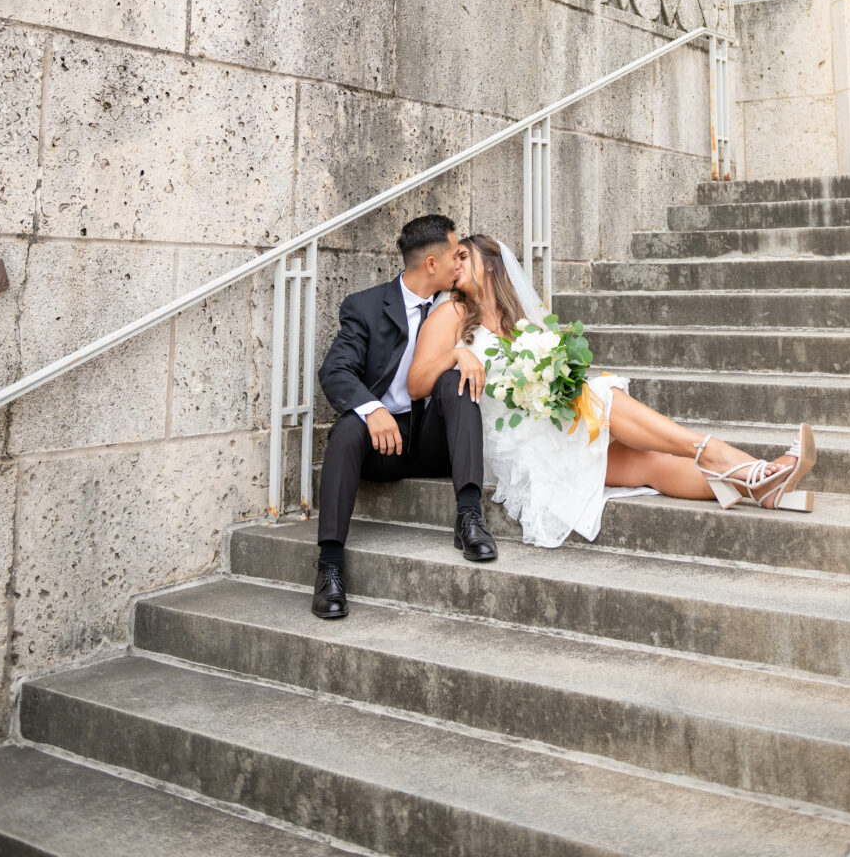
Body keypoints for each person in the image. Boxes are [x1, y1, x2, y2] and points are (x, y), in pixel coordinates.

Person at [407, 233, 817, 550]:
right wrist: (457, 355)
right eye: (452, 258)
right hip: (510, 442)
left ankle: (758, 484)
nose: (455, 265)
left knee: (649, 464)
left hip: (550, 423)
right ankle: (734, 460)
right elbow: (416, 382)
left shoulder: (521, 321)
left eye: (463, 256)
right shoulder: (453, 313)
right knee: (606, 399)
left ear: (492, 264)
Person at [312, 213, 497, 620]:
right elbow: (335, 371)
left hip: (435, 438)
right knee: (345, 431)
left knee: (453, 380)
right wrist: (374, 410)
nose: (459, 262)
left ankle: (468, 517)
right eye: (455, 254)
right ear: (432, 264)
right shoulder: (365, 306)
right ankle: (329, 565)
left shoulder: (458, 306)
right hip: (383, 443)